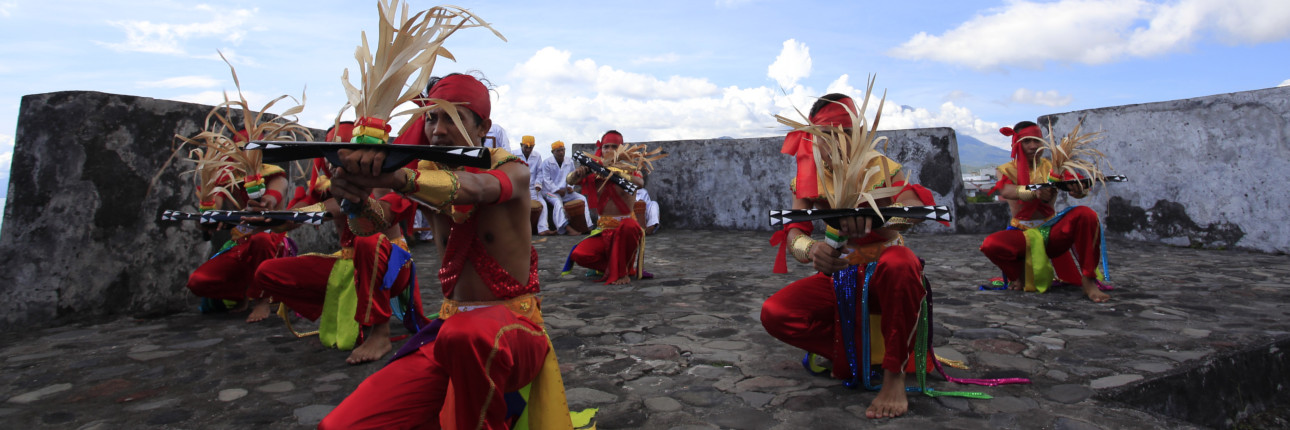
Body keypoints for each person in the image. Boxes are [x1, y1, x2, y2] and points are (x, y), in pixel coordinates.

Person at [321, 73, 574, 429]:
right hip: (451, 330)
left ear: (482, 126)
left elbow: (475, 188)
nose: (437, 131)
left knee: (466, 336)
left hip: (516, 331)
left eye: (451, 119)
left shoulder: (511, 169)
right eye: (431, 118)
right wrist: (355, 198)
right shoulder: (426, 174)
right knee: (342, 424)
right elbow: (373, 223)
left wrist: (397, 178)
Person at [760, 93, 941, 419]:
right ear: (812, 136)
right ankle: (855, 355)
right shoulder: (807, 176)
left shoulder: (882, 168)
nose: (840, 141)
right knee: (776, 313)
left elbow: (912, 215)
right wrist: (812, 249)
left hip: (887, 274)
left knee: (902, 261)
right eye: (829, 133)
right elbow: (795, 230)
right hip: (841, 275)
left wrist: (876, 222)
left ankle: (894, 376)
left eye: (847, 130)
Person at [250, 122, 426, 365]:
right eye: (334, 157)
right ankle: (346, 311)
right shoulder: (327, 173)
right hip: (346, 263)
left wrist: (335, 204)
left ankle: (380, 333)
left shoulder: (385, 171)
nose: (337, 164)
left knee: (368, 241)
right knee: (266, 272)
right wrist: (270, 216)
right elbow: (303, 208)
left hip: (391, 266)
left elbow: (376, 211)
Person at [979, 121, 1110, 302]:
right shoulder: (1006, 170)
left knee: (1085, 214)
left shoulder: (1054, 166)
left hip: (1051, 234)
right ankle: (1018, 276)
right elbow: (1006, 191)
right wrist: (1034, 193)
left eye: (1037, 141)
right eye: (1027, 141)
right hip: (1021, 234)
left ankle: (1089, 280)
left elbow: (1075, 183)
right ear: (1017, 143)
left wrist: (1079, 190)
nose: (1033, 146)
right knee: (990, 244)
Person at [185, 131, 293, 323]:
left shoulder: (276, 176)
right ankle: (242, 293)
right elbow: (211, 209)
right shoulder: (228, 181)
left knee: (261, 240)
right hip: (240, 246)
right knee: (197, 281)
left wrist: (264, 202)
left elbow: (271, 198)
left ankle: (262, 300)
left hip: (272, 245)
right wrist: (207, 211)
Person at [563, 131, 648, 285]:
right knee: (578, 254)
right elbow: (570, 180)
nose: (608, 150)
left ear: (621, 149)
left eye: (613, 147)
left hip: (626, 231)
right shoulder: (594, 170)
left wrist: (615, 172)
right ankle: (614, 268)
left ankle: (622, 272)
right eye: (605, 147)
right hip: (604, 231)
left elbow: (640, 183)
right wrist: (578, 173)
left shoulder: (629, 169)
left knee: (629, 227)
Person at [536, 140, 592, 235]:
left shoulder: (569, 161)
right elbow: (546, 180)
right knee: (557, 202)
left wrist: (570, 186)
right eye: (558, 150)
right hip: (550, 192)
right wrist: (557, 190)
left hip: (565, 191)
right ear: (552, 152)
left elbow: (573, 176)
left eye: (562, 150)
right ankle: (566, 228)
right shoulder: (547, 162)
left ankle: (587, 225)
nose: (561, 152)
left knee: (582, 198)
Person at [517, 135, 552, 235]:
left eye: (530, 147)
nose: (528, 149)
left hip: (533, 188)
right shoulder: (513, 154)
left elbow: (540, 172)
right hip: (519, 188)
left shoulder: (537, 155)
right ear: (521, 145)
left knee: (543, 204)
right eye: (526, 147)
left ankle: (543, 228)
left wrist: (538, 184)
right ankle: (518, 229)